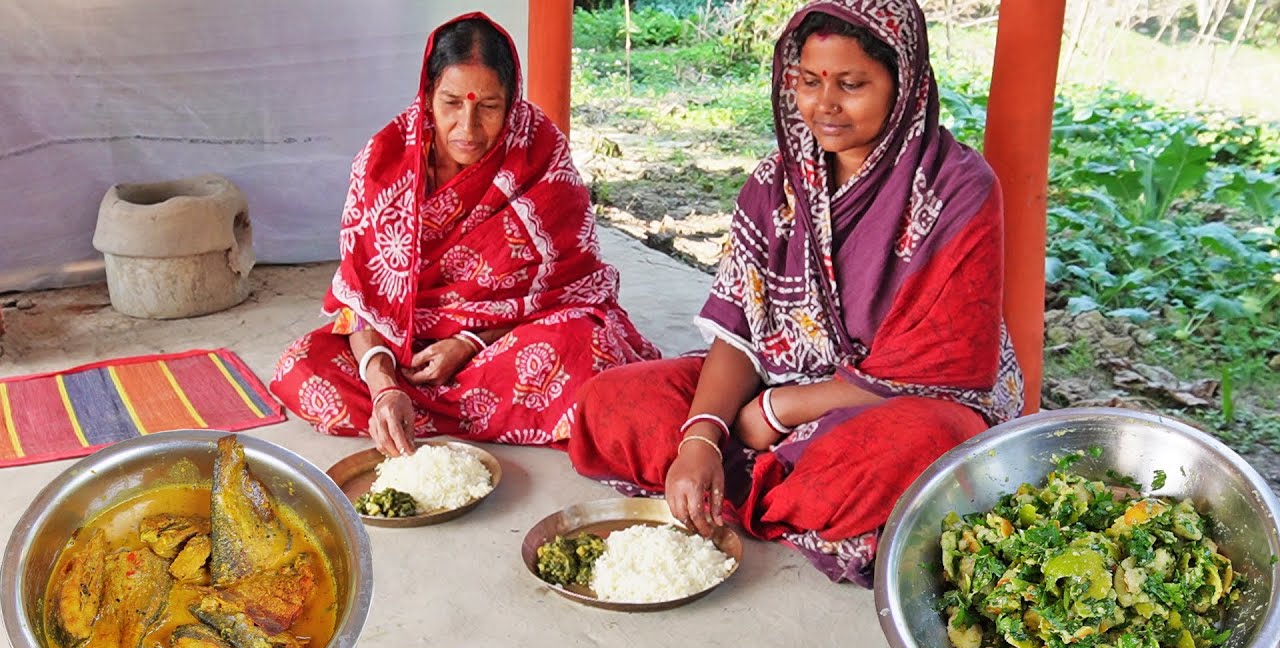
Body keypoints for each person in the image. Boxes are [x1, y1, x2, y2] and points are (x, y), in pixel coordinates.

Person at [568, 0, 1024, 586]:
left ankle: (756, 489)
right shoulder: (776, 181)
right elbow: (739, 328)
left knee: (926, 448)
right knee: (613, 402)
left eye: (852, 84)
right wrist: (703, 436)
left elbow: (943, 370)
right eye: (810, 82)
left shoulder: (959, 190)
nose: (825, 105)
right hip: (780, 384)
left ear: (904, 83)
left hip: (896, 406)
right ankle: (776, 493)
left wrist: (775, 411)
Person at [271, 14, 658, 455]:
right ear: (428, 94)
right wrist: (382, 386)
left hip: (504, 343)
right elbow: (361, 306)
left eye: (489, 106)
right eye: (452, 103)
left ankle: (431, 414)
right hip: (406, 352)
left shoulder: (540, 152)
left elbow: (571, 290)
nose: (468, 128)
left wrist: (467, 342)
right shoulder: (384, 163)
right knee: (301, 368)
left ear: (512, 102)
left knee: (588, 348)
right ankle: (422, 411)